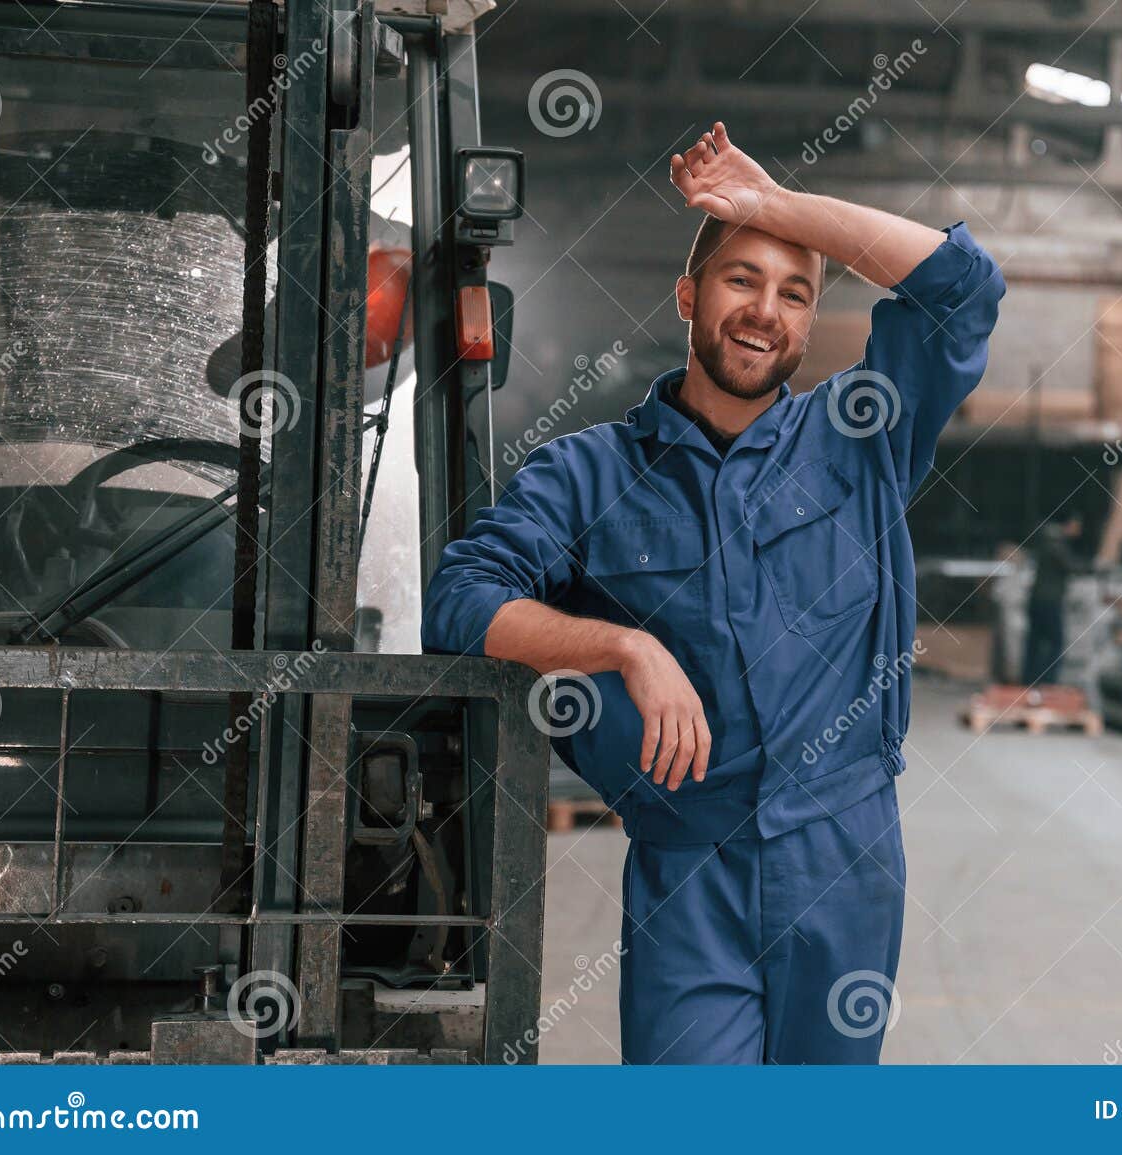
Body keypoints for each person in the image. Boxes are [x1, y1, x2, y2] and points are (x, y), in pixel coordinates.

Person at [423, 122, 1005, 1063]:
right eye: (742, 280)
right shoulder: (591, 472)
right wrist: (623, 648)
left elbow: (962, 285)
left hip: (843, 855)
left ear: (812, 323)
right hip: (689, 863)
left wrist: (772, 207)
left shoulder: (864, 436)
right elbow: (459, 602)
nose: (765, 311)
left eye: (794, 293)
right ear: (690, 295)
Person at [1023, 516, 1082, 686]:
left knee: (1034, 641)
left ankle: (1029, 680)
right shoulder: (1056, 542)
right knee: (1056, 642)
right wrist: (1094, 567)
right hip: (1049, 601)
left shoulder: (1046, 539)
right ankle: (1048, 681)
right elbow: (1070, 566)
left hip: (1038, 599)